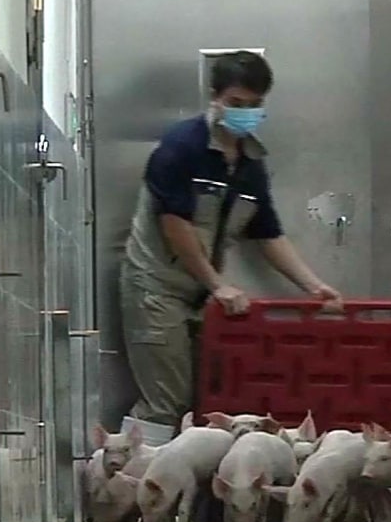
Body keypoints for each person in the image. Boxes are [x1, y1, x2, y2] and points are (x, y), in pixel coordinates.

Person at [118, 51, 343, 444]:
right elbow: (174, 224)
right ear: (216, 98)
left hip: (201, 296)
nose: (245, 113)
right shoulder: (181, 147)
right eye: (236, 104)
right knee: (165, 402)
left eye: (254, 106)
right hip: (157, 288)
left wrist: (313, 286)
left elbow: (267, 233)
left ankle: (172, 492)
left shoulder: (249, 164)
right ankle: (121, 486)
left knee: (202, 401)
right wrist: (217, 283)